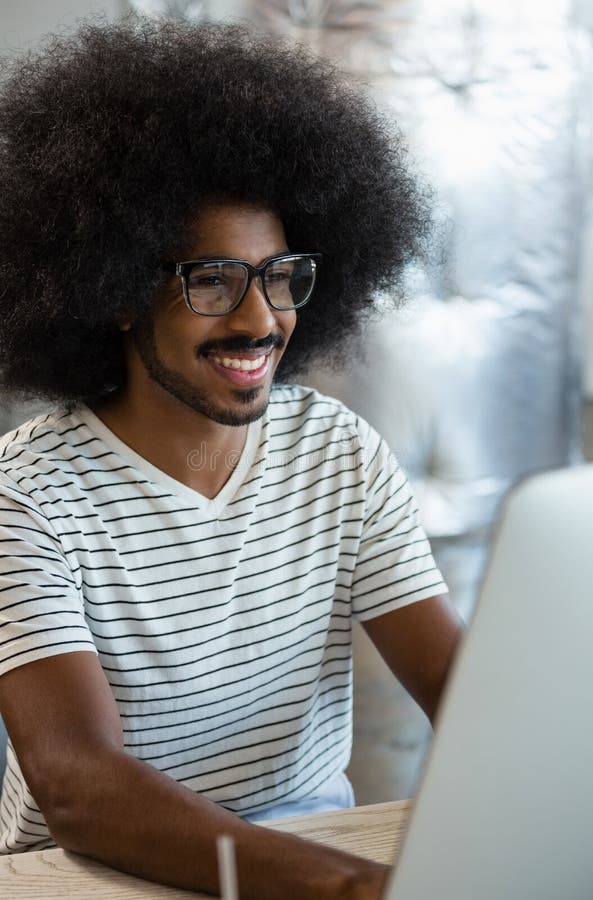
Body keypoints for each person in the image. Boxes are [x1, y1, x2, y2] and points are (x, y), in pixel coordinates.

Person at [0, 19, 462, 899]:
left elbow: (450, 679)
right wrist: (347, 887)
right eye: (212, 280)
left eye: (280, 275)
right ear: (121, 293)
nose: (260, 320)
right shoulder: (26, 496)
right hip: (85, 877)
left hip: (310, 847)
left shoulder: (336, 450)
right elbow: (82, 788)